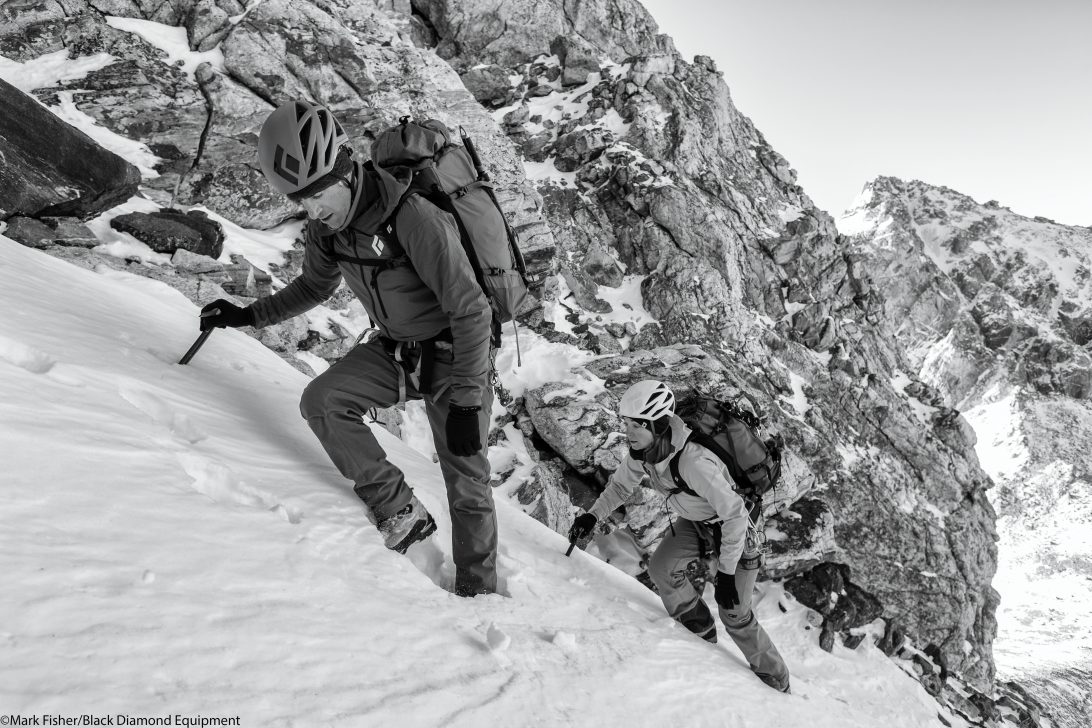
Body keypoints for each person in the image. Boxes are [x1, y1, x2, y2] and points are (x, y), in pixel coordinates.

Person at [199, 100, 497, 597]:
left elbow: (471, 311)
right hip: (398, 351)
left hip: (455, 356)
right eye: (302, 201)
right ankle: (398, 508)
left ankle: (478, 590)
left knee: (466, 478)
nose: (312, 212)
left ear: (345, 169)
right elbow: (313, 289)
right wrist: (247, 315)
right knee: (324, 401)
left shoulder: (414, 217)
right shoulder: (326, 229)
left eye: (317, 196)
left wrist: (467, 398)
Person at [569, 380, 791, 692]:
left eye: (637, 425)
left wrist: (726, 574)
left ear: (658, 424)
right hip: (699, 522)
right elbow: (620, 486)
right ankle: (698, 631)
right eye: (627, 424)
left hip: (738, 533)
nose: (629, 432)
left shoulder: (693, 461)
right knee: (662, 568)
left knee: (736, 614)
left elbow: (735, 515)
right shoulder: (643, 451)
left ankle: (776, 680)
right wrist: (592, 515)